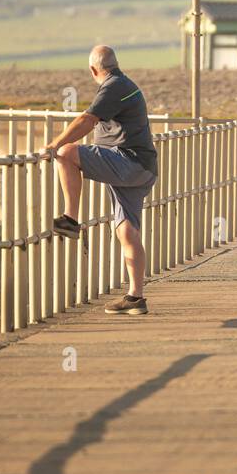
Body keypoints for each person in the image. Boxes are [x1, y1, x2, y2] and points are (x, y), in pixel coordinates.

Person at [45, 45, 158, 315]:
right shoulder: (124, 83)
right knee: (127, 231)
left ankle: (70, 219)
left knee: (66, 153)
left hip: (128, 162)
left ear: (93, 70)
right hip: (142, 168)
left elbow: (86, 120)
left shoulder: (113, 85)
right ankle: (135, 298)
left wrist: (53, 144)